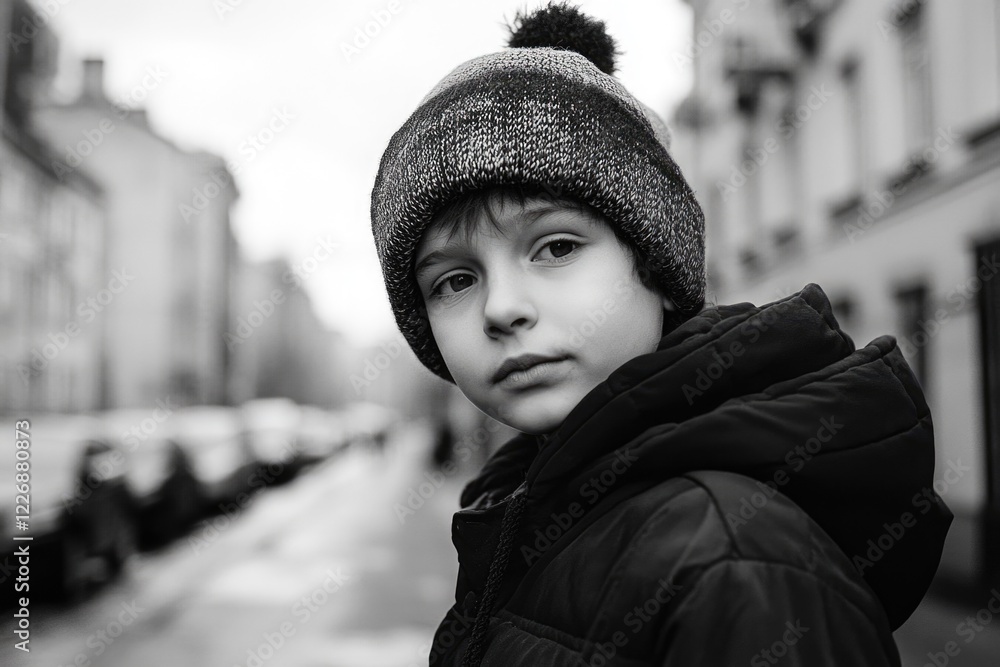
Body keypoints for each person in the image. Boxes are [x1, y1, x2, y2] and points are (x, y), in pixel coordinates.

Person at [369, 4, 953, 665]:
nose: (502, 307)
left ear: (654, 261)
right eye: (452, 281)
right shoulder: (523, 513)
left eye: (556, 247)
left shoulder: (735, 564)